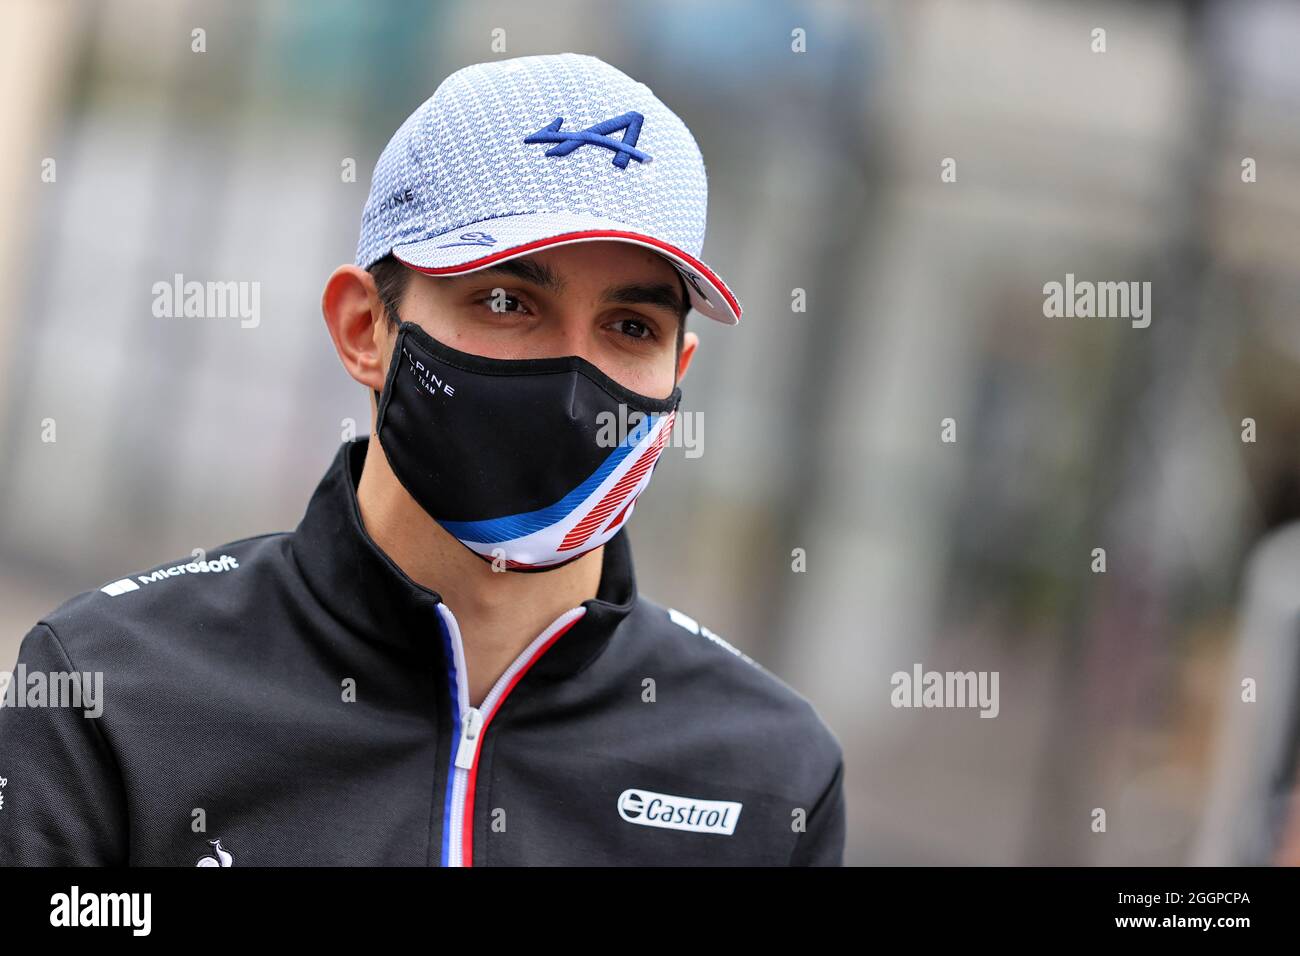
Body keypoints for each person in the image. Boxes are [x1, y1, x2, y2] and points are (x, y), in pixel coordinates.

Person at [0, 52, 844, 866]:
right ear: (367, 328)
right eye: (509, 300)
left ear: (678, 372)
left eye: (632, 327)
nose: (575, 382)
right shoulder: (109, 692)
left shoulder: (773, 776)